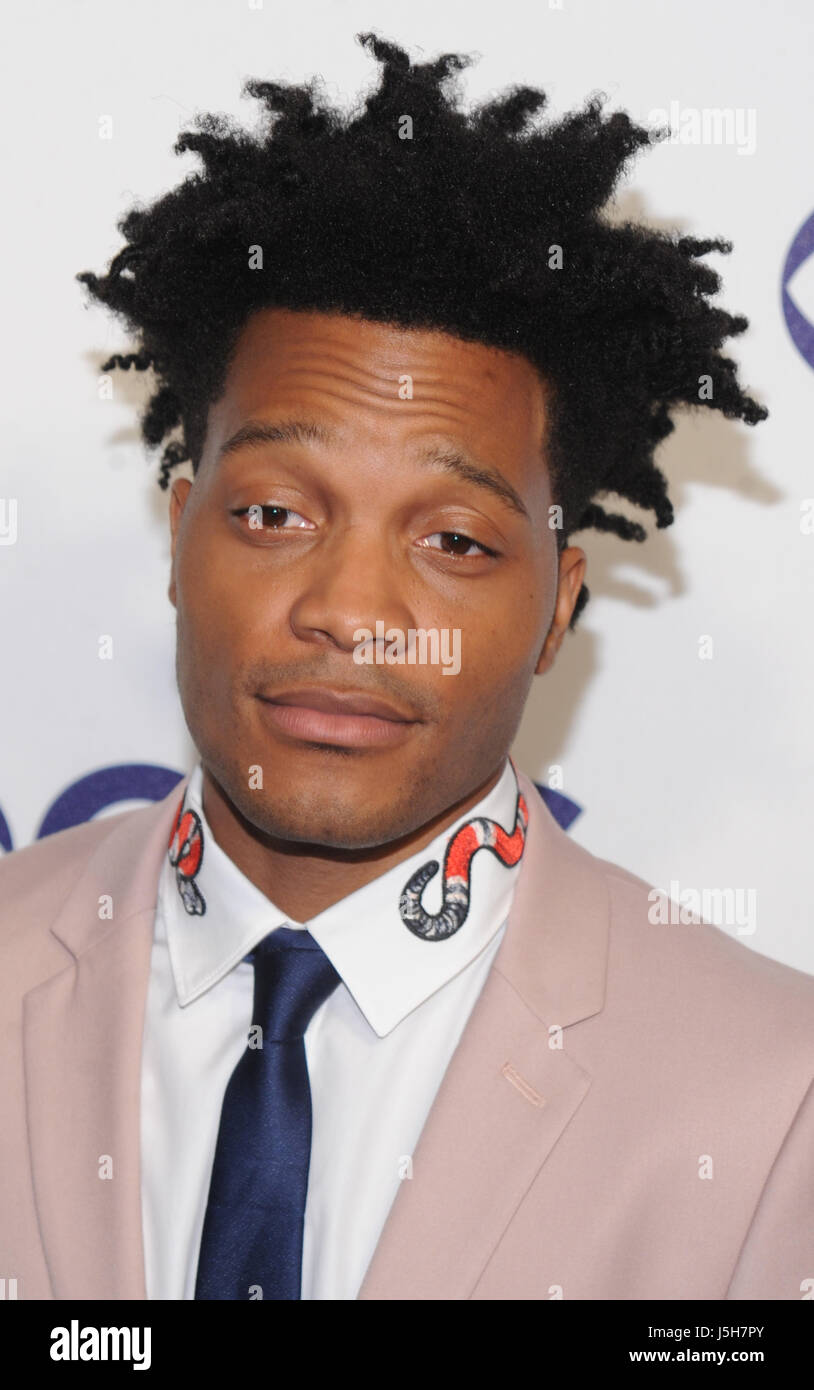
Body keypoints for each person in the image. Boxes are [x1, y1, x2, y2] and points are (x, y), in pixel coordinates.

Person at [2, 30, 812, 1302]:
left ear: (557, 614)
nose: (350, 613)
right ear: (178, 535)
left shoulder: (774, 1100)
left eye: (452, 539)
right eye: (275, 513)